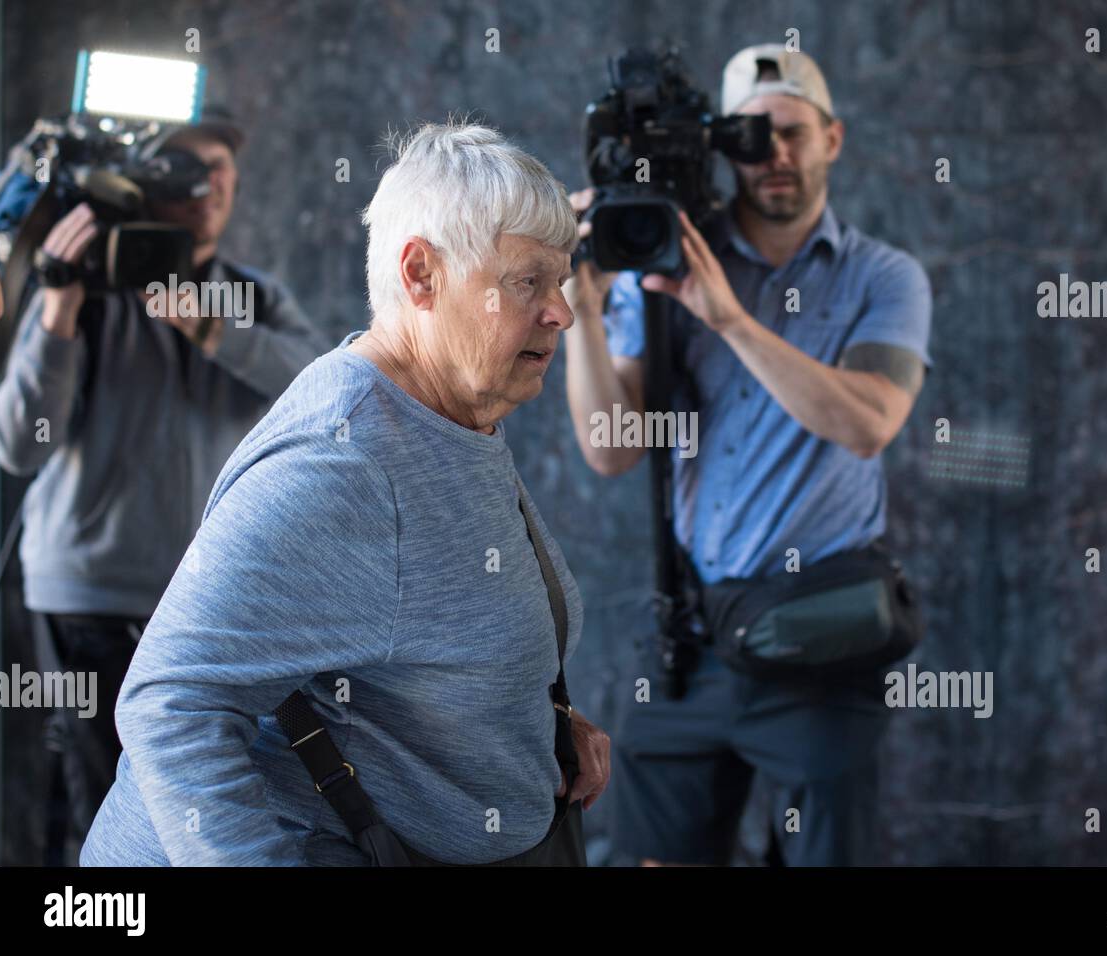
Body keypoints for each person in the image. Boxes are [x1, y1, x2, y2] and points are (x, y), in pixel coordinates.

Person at [80, 121, 610, 866]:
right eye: (528, 281)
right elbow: (170, 705)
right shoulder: (343, 461)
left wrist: (531, 720)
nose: (561, 309)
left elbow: (417, 641)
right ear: (421, 274)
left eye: (560, 280)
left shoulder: (447, 406)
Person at [563, 45, 933, 865]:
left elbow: (870, 420)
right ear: (725, 145)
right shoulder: (660, 260)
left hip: (818, 641)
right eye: (754, 135)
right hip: (691, 638)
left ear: (832, 138)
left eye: (795, 132)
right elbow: (610, 449)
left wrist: (729, 320)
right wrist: (585, 313)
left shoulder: (884, 277)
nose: (777, 155)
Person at [0, 108, 330, 865]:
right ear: (144, 181)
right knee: (94, 805)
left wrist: (204, 320)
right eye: (189, 167)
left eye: (224, 171)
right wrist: (58, 305)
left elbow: (321, 396)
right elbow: (18, 443)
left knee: (202, 807)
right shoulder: (85, 297)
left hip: (212, 603)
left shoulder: (250, 295)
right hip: (87, 599)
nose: (209, 185)